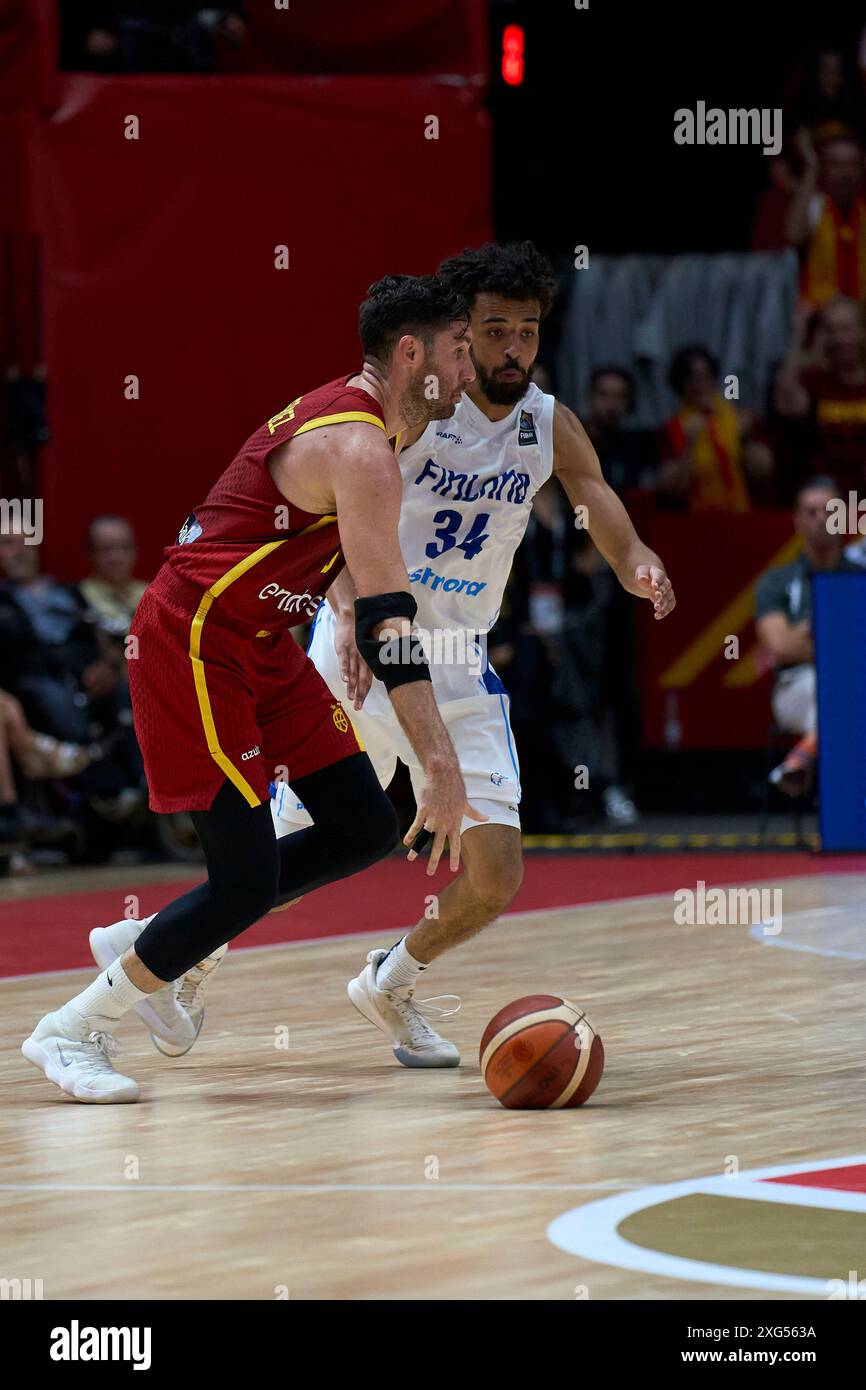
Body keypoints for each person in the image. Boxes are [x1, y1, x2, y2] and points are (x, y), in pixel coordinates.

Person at [21, 274, 482, 1103]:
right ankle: (73, 1030)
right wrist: (438, 762)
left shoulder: (359, 423)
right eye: (459, 348)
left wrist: (336, 608)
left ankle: (160, 940)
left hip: (261, 642)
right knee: (244, 881)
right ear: (411, 352)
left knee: (361, 824)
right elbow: (393, 622)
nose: (471, 366)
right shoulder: (364, 447)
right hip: (196, 638)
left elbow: (306, 532)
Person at [264, 241, 674, 1068]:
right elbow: (334, 518)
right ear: (462, 332)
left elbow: (593, 495)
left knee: (495, 876)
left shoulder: (547, 422)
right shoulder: (413, 409)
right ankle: (179, 961)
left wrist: (635, 558)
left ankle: (391, 978)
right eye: (495, 331)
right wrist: (341, 613)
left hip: (458, 659)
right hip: (364, 650)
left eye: (527, 331)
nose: (514, 348)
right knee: (278, 862)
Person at [754, 476, 858, 795]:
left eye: (829, 511)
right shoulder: (776, 581)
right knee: (837, 693)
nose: (820, 520)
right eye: (811, 512)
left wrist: (810, 635)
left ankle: (801, 761)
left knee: (847, 693)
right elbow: (780, 646)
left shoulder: (860, 579)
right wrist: (843, 643)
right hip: (795, 687)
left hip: (855, 684)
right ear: (798, 521)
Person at [656, 345, 773, 513]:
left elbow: (763, 473)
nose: (699, 385)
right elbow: (671, 492)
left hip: (740, 515)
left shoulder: (738, 417)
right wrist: (689, 446)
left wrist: (745, 439)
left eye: (705, 376)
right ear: (679, 384)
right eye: (691, 378)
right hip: (694, 520)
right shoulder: (670, 428)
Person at [774, 296, 866, 498]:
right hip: (825, 487)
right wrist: (798, 333)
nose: (838, 339)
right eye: (831, 330)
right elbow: (785, 403)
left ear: (862, 332)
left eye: (845, 329)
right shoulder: (816, 380)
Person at [786, 133, 866, 307]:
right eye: (835, 164)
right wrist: (811, 168)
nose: (845, 173)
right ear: (824, 169)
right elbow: (793, 235)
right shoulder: (815, 207)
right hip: (823, 318)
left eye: (852, 164)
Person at [80, 515, 148, 641]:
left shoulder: (150, 593)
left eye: (125, 547)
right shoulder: (76, 599)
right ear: (90, 553)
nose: (117, 557)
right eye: (106, 549)